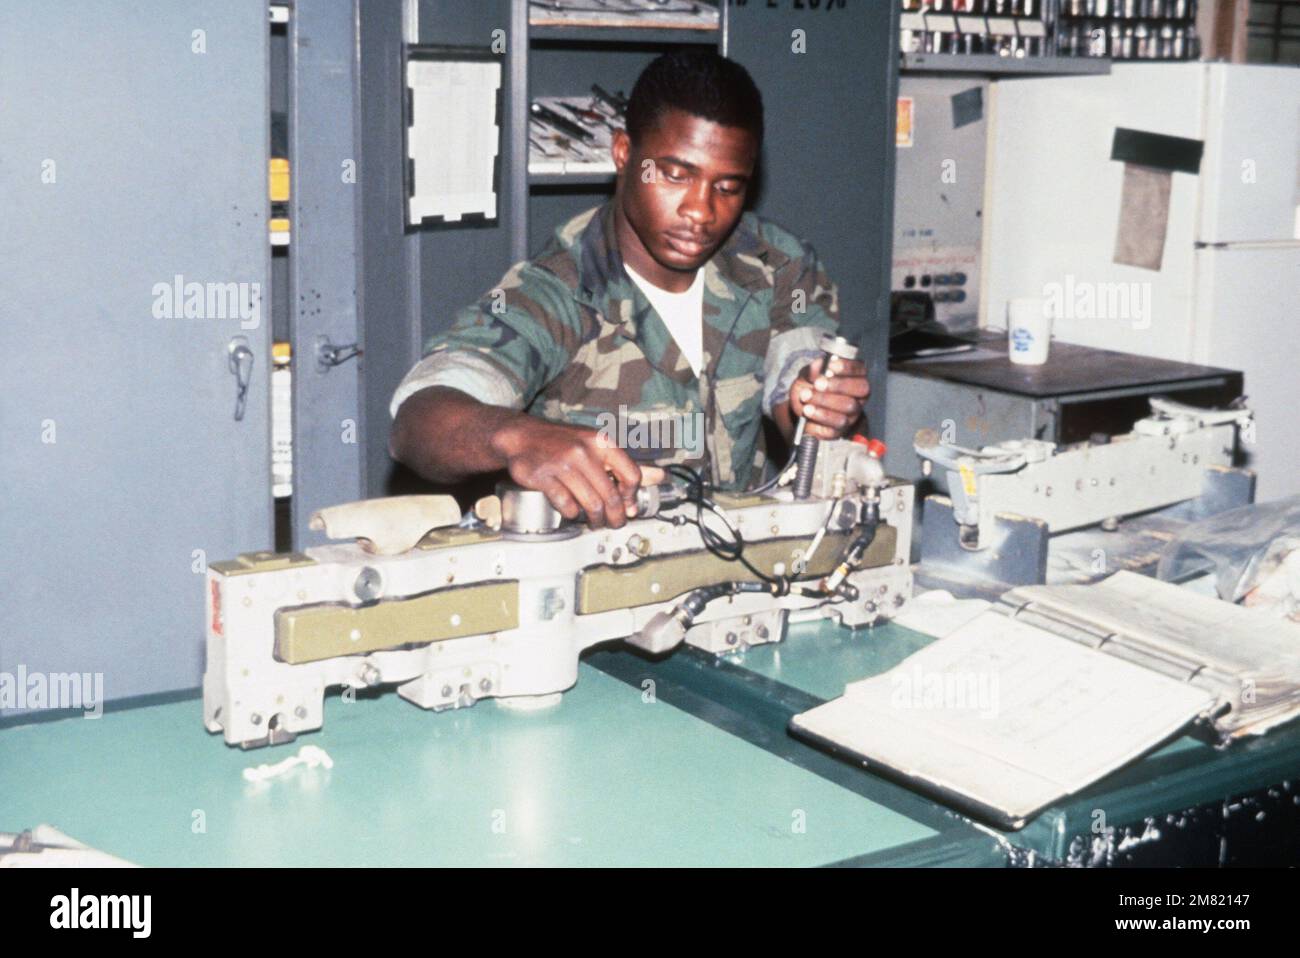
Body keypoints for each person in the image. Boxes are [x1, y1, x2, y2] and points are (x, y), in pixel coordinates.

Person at [389, 49, 869, 529]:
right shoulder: (556, 289)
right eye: (675, 175)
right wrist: (517, 436)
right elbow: (417, 422)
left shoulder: (776, 265)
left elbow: (801, 397)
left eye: (727, 187)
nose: (701, 211)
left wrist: (824, 408)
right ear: (623, 155)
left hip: (747, 571)